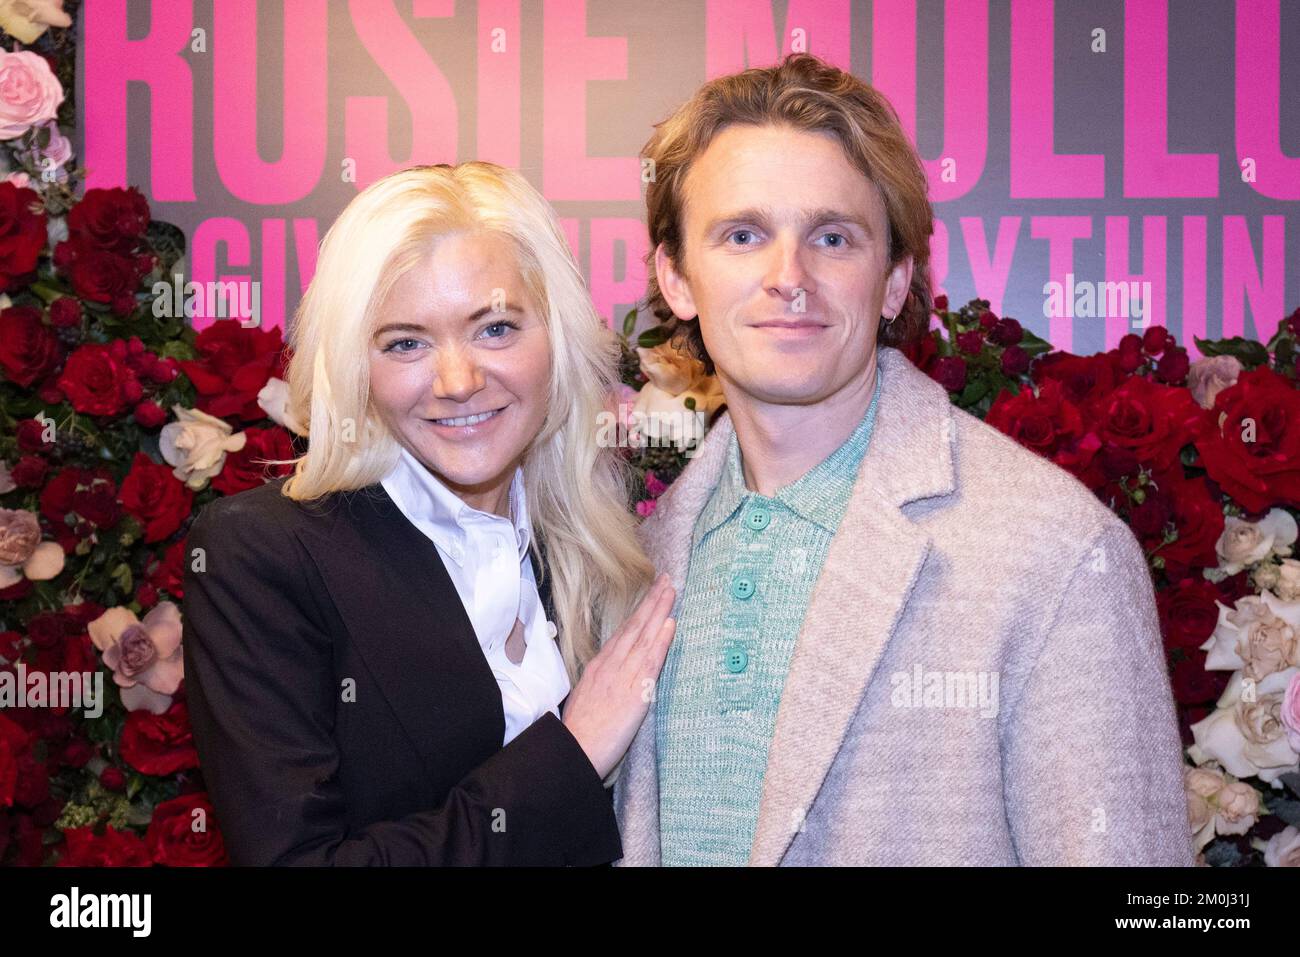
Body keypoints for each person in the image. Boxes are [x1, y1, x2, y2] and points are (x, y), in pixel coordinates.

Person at [615, 53, 1194, 866]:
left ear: (894, 281)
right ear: (676, 278)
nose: (789, 278)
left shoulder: (1057, 552)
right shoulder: (634, 562)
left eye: (832, 238)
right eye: (743, 235)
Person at [182, 162, 676, 866]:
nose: (458, 381)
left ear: (557, 338)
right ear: (355, 366)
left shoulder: (594, 537)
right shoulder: (263, 556)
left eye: (495, 328)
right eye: (406, 343)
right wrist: (574, 752)